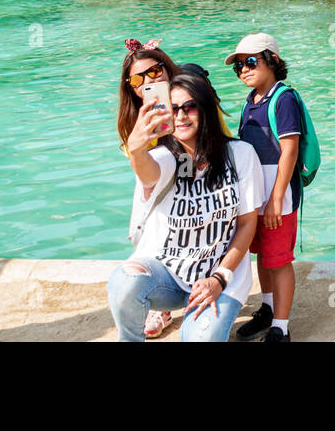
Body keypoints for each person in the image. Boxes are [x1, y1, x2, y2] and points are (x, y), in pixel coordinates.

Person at [108, 71, 263, 342]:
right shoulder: (170, 158)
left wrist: (218, 278)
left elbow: (247, 223)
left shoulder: (240, 155)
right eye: (174, 108)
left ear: (205, 108)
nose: (181, 115)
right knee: (125, 282)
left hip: (219, 279)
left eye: (189, 106)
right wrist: (136, 151)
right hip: (167, 275)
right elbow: (149, 173)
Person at [228, 33, 304, 343]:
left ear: (272, 60)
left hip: (278, 197)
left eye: (249, 62)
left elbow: (290, 149)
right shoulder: (251, 101)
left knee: (280, 260)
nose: (243, 70)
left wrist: (275, 199)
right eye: (238, 67)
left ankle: (281, 328)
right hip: (256, 194)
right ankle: (269, 309)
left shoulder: (283, 98)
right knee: (262, 254)